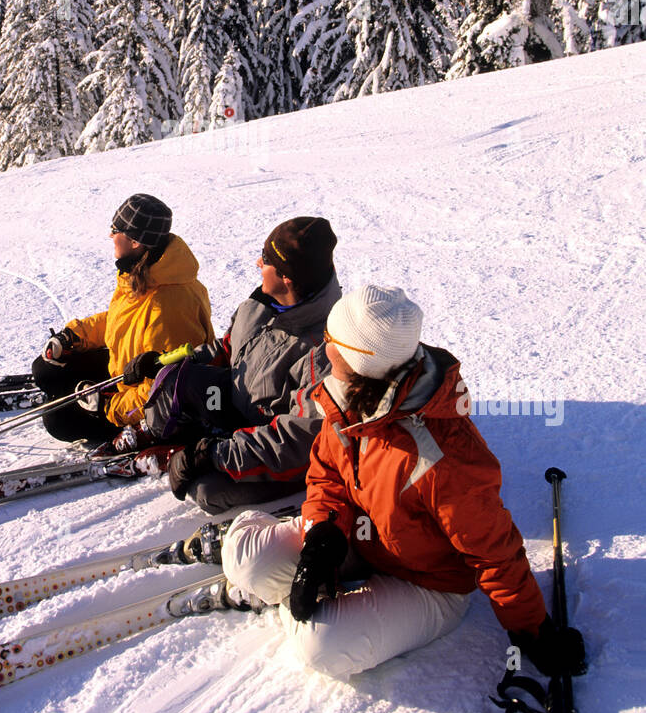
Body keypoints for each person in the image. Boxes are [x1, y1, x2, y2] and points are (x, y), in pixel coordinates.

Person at [220, 284, 586, 683]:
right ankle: (310, 587)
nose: (323, 347)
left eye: (329, 339)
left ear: (356, 358)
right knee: (244, 557)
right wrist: (323, 533)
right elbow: (326, 471)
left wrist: (534, 630)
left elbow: (493, 552)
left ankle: (300, 603)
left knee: (322, 648)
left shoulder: (444, 455)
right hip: (359, 541)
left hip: (430, 584)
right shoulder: (345, 395)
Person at [142, 217, 341, 512]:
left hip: (275, 451)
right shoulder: (260, 303)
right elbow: (228, 347)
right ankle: (176, 444)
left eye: (268, 260)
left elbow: (298, 441)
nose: (258, 263)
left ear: (287, 277)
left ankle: (201, 453)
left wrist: (215, 455)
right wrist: (166, 361)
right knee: (174, 380)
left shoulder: (322, 348)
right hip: (239, 407)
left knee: (206, 490)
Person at [33, 193, 214, 445]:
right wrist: (74, 337)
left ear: (135, 241)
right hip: (126, 370)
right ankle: (71, 393)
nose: (110, 236)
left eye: (115, 230)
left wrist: (107, 406)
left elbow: (164, 389)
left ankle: (82, 404)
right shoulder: (145, 270)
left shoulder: (169, 307)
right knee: (44, 369)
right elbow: (121, 319)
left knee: (58, 420)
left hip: (145, 401)